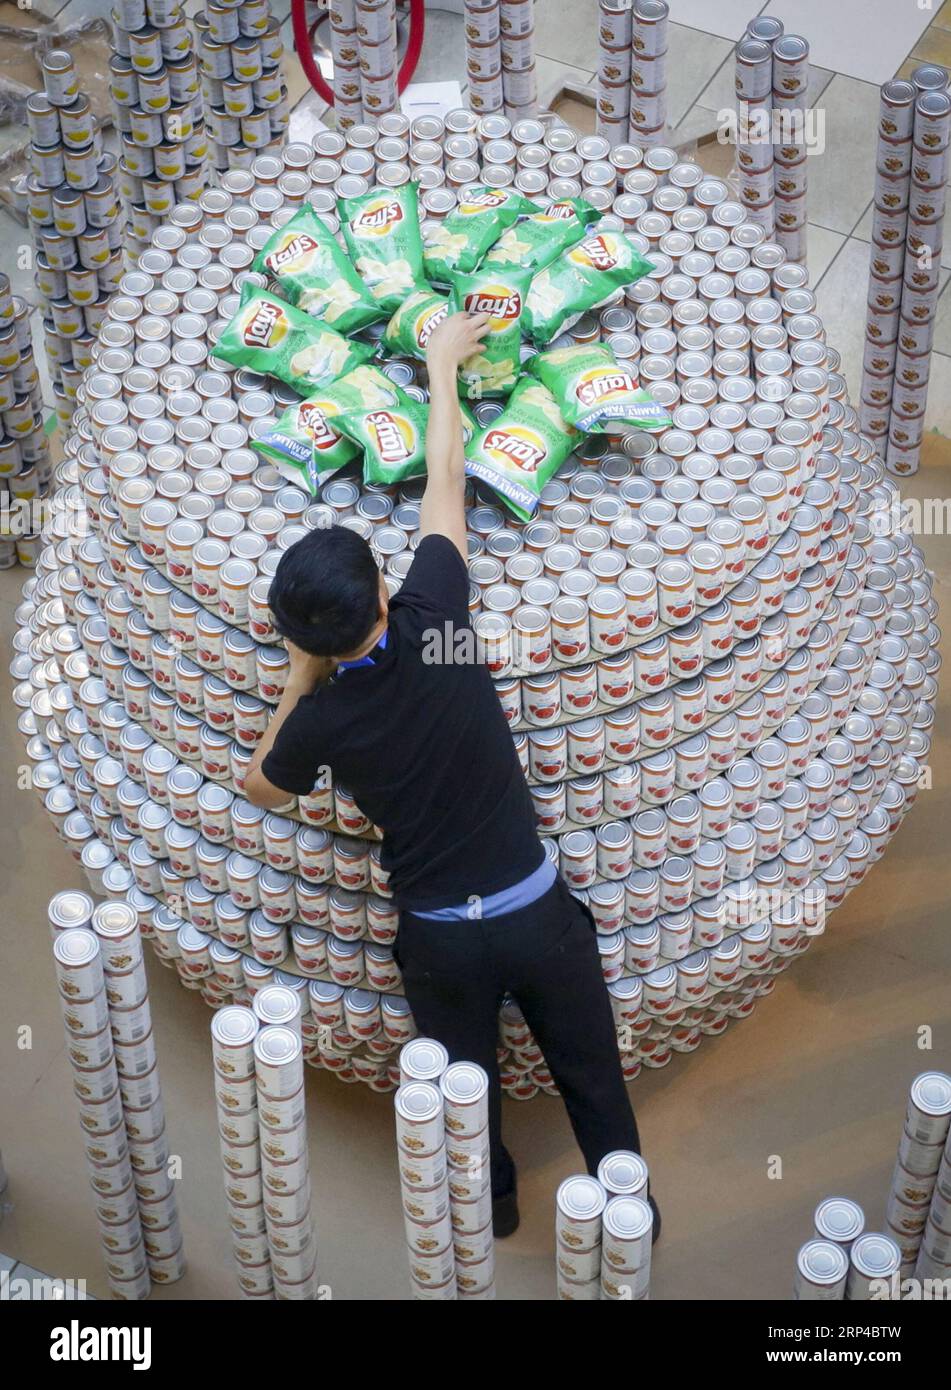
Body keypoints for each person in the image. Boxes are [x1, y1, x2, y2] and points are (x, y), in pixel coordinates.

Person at [244, 311, 658, 1241]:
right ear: (385, 594)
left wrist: (297, 682)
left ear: (295, 635)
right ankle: (631, 1217)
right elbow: (442, 485)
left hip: (440, 943)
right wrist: (440, 368)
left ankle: (495, 1214)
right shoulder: (440, 622)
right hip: (539, 915)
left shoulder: (322, 720)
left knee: (462, 1107)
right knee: (591, 1076)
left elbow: (260, 787)